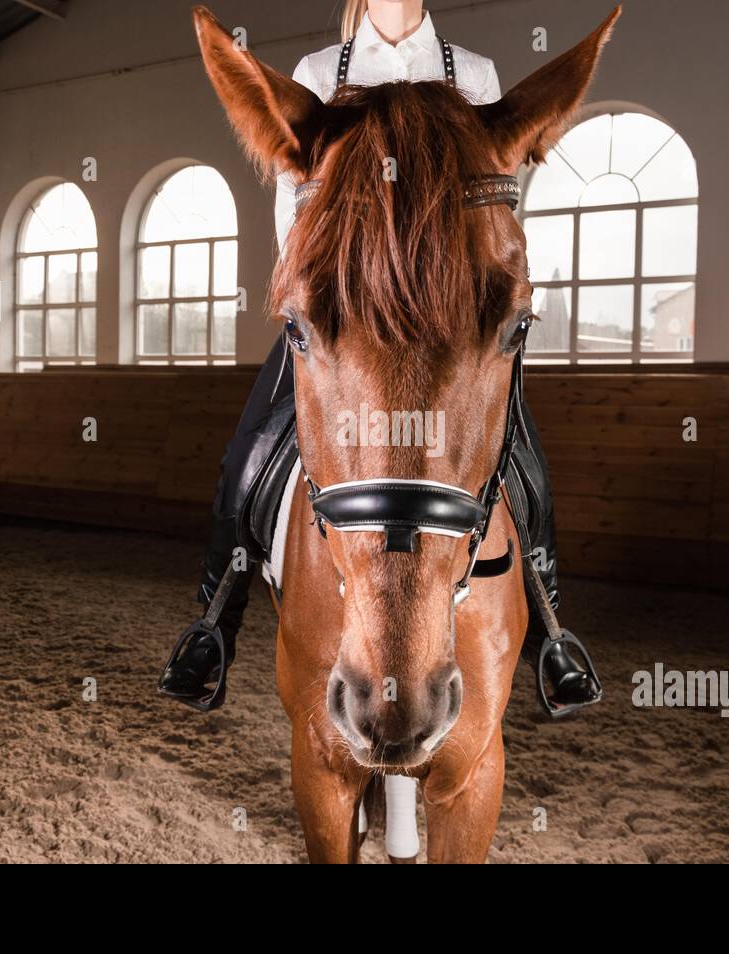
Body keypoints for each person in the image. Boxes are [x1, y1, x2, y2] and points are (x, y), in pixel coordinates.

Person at [160, 0, 602, 715]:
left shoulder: (475, 73)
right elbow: (291, 207)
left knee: (526, 459)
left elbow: (502, 204)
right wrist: (327, 288)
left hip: (446, 321)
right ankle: (215, 621)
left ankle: (550, 627)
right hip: (345, 307)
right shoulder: (317, 73)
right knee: (246, 452)